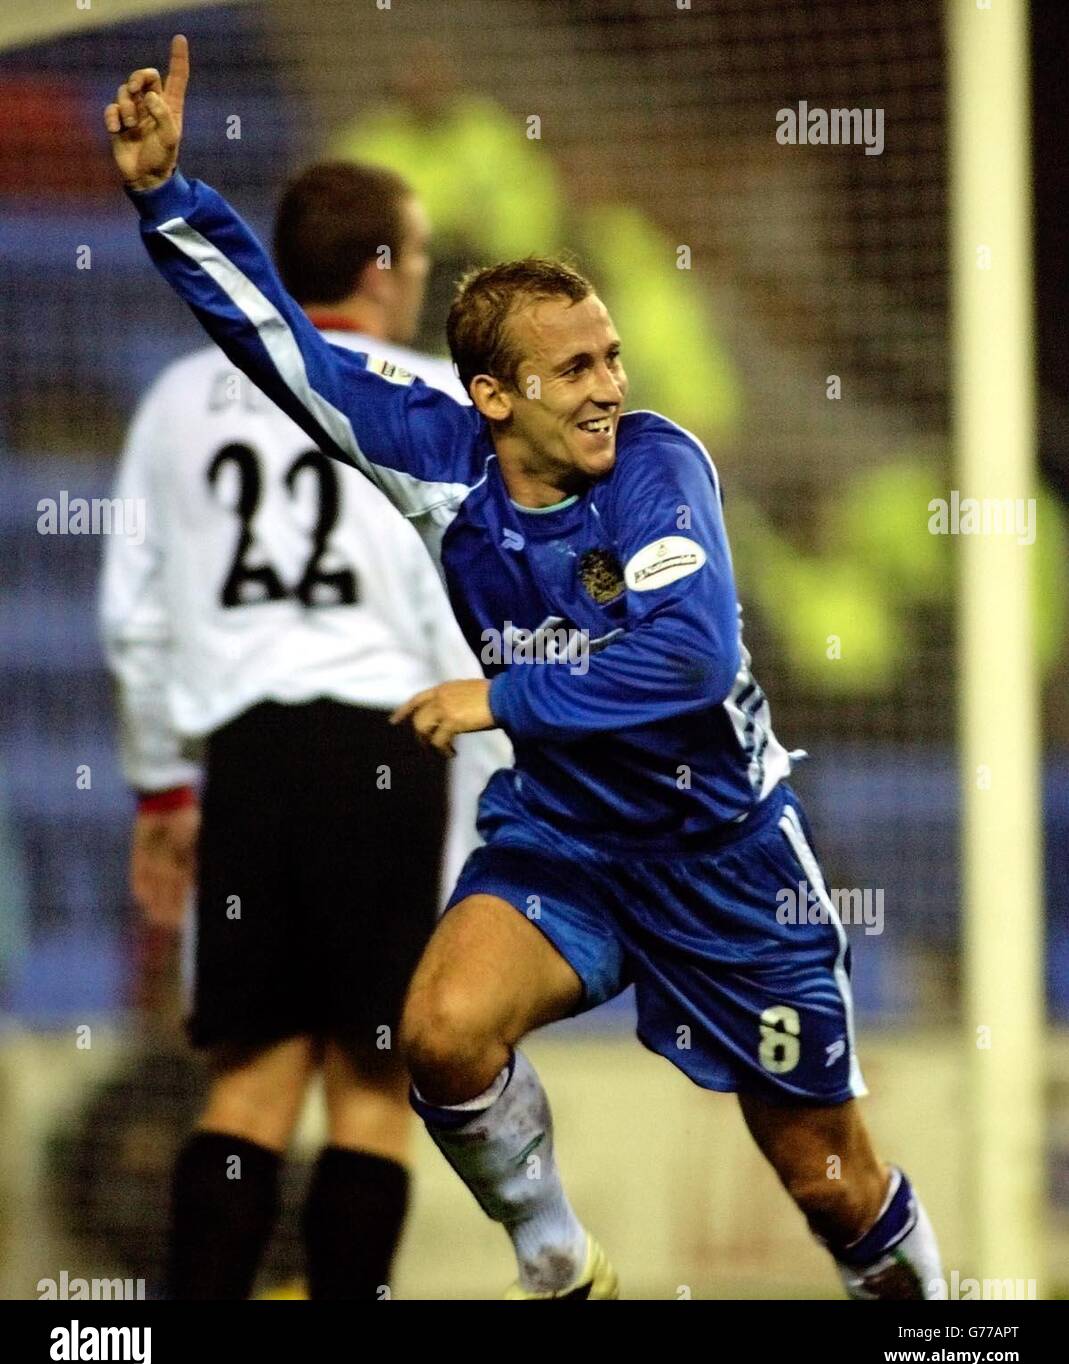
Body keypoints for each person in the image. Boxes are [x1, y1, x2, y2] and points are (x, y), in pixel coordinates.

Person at [104, 36, 943, 1300]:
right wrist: (171, 197)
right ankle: (557, 1259)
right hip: (564, 849)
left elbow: (689, 657)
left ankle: (932, 1319)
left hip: (723, 858)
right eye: (579, 369)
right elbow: (281, 348)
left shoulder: (662, 470)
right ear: (493, 395)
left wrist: (499, 695)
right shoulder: (437, 459)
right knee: (436, 1035)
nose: (613, 387)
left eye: (613, 356)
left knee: (826, 1174)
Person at [99, 147, 508, 1300]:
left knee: (247, 1085)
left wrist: (163, 788)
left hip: (248, 756)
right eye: (418, 257)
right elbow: (462, 622)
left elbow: (135, 618)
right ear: (381, 269)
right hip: (393, 746)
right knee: (373, 1089)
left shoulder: (182, 397)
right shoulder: (425, 405)